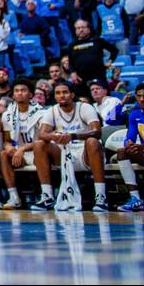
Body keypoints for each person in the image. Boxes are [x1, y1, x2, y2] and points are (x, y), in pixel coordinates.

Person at [30, 80, 107, 212]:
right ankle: (47, 196)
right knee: (39, 144)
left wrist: (73, 136)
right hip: (64, 153)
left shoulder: (84, 107)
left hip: (86, 153)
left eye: (65, 92)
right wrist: (55, 137)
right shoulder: (53, 110)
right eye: (58, 93)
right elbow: (42, 134)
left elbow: (97, 132)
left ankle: (101, 196)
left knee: (92, 141)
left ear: (72, 95)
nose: (62, 96)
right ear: (54, 96)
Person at [115, 82, 144, 212]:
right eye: (139, 96)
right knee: (122, 152)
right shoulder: (134, 114)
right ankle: (135, 199)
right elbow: (130, 136)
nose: (141, 99)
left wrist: (143, 147)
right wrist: (128, 144)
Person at [0, 78, 42, 209]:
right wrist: (10, 148)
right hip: (19, 153)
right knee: (3, 154)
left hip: (38, 152)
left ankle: (46, 194)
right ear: (12, 95)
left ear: (30, 94)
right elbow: (6, 140)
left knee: (41, 147)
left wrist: (21, 149)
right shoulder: (7, 114)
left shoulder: (41, 112)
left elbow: (43, 140)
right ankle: (14, 197)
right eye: (16, 91)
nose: (19, 93)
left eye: (23, 90)